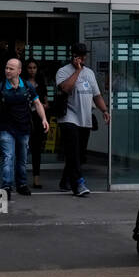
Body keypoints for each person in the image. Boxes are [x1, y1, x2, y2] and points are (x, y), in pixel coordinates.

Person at [0, 58, 49, 200]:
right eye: (6, 68)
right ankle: (6, 186)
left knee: (22, 159)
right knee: (8, 157)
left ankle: (21, 185)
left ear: (19, 71)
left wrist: (44, 119)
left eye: (11, 69)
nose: (7, 71)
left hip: (24, 128)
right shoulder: (0, 88)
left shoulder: (27, 86)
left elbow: (37, 103)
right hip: (6, 129)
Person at [54, 42, 110, 197]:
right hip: (68, 117)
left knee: (79, 154)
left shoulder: (90, 73)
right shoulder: (63, 71)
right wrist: (77, 71)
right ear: (73, 56)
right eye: (79, 55)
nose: (82, 58)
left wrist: (104, 110)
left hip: (85, 118)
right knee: (73, 152)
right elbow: (66, 88)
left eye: (84, 55)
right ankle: (78, 184)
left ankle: (65, 181)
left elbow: (96, 95)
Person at [23, 59, 48, 188]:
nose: (32, 70)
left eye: (34, 67)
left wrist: (41, 106)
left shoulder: (41, 84)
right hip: (24, 117)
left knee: (36, 149)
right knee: (22, 148)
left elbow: (46, 103)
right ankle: (20, 178)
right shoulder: (22, 83)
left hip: (38, 118)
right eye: (29, 67)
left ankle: (36, 179)